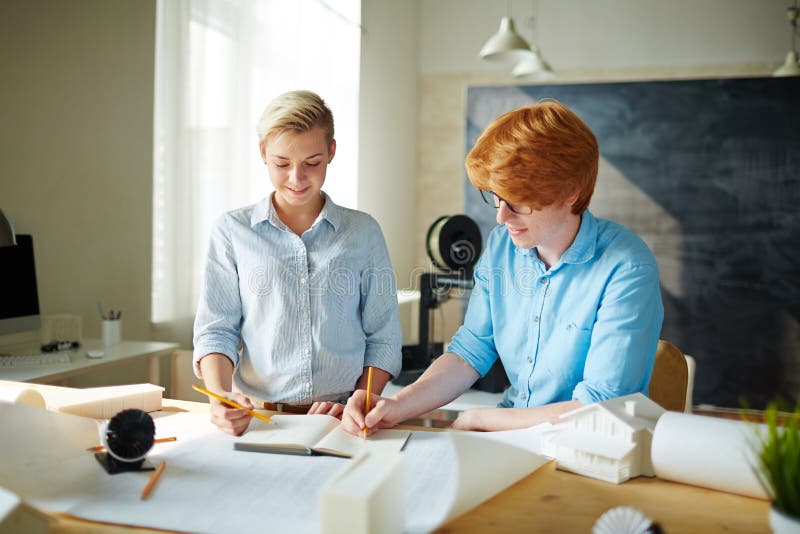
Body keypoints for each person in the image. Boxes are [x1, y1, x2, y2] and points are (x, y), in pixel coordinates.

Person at [342, 99, 664, 435]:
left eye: (518, 202)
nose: (501, 216)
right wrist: (397, 405)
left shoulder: (627, 267)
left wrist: (482, 419)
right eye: (496, 197)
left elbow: (599, 405)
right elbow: (471, 351)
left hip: (585, 448)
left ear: (571, 192)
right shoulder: (501, 246)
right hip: (509, 436)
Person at [193, 90, 402, 435]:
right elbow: (216, 331)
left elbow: (384, 337)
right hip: (259, 420)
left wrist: (361, 400)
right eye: (281, 164)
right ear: (263, 153)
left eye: (312, 163)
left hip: (342, 420)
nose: (296, 178)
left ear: (332, 152)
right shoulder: (232, 231)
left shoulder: (363, 232)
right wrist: (221, 399)